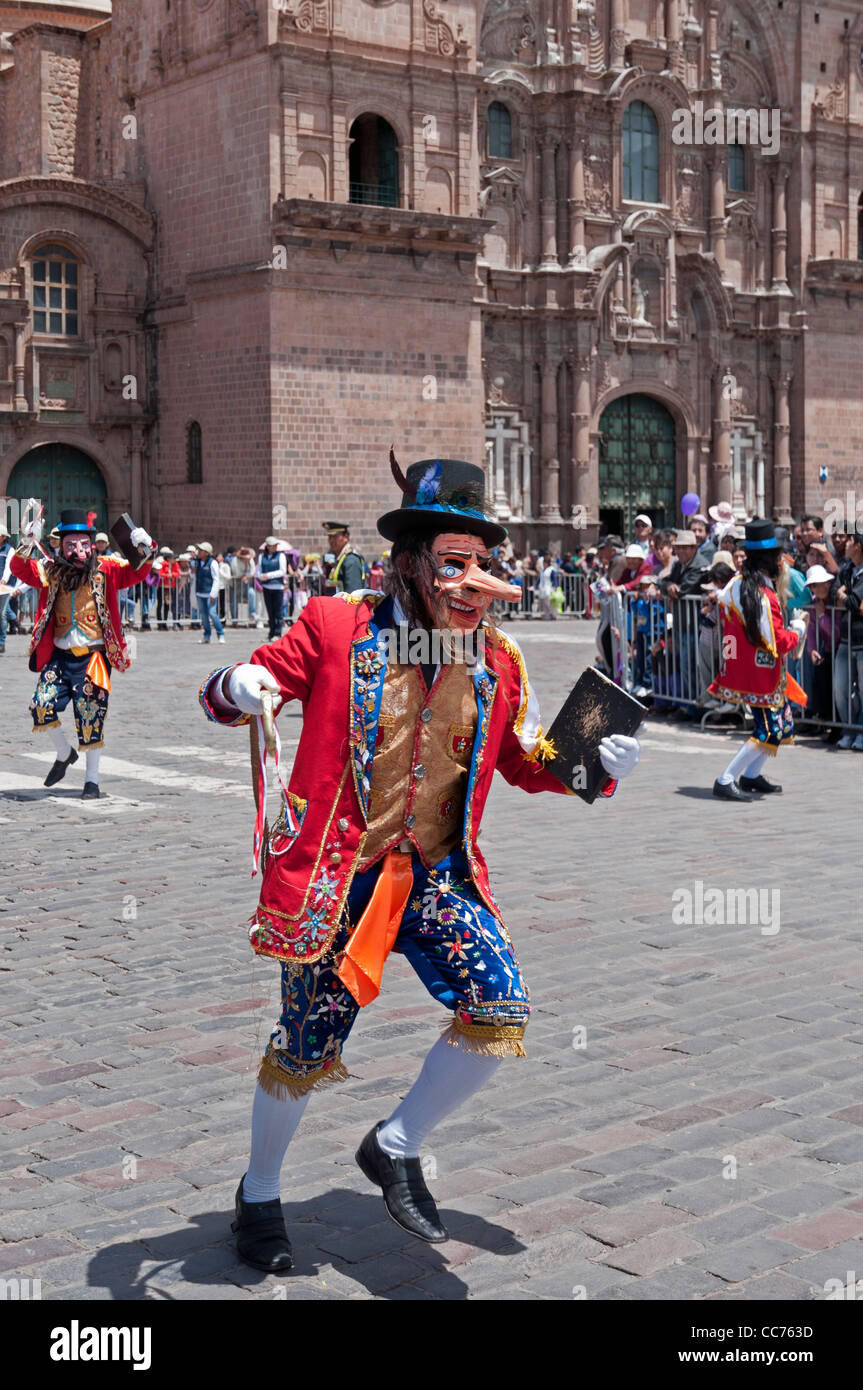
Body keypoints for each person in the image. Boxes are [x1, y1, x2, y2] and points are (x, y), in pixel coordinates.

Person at [197, 453, 643, 1272]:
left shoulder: (498, 659)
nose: (469, 581)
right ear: (408, 562)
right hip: (343, 880)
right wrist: (239, 682)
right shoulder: (336, 624)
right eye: (452, 562)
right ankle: (258, 1193)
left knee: (499, 1005)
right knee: (304, 1045)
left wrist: (592, 763)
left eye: (482, 563)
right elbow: (243, 690)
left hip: (436, 875)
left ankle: (394, 1144)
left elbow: (520, 759)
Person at [9, 508, 153, 798]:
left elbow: (137, 572)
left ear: (91, 544)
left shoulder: (108, 569)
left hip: (94, 657)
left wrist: (146, 547)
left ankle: (92, 781)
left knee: (90, 718)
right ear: (61, 546)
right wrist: (26, 541)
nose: (78, 550)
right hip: (60, 656)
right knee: (41, 706)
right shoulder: (51, 571)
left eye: (83, 544)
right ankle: (64, 754)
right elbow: (19, 569)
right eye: (71, 544)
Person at [708, 520, 808, 801]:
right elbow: (776, 640)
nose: (783, 562)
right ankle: (726, 778)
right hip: (759, 673)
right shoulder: (760, 593)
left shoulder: (741, 584)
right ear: (771, 560)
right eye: (779, 557)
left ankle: (750, 775)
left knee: (782, 724)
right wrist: (798, 629)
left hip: (751, 669)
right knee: (770, 729)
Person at [833, 526, 863, 749]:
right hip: (845, 638)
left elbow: (857, 606)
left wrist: (845, 595)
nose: (845, 544)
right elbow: (835, 593)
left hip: (861, 639)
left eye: (849, 540)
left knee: (862, 689)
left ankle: (861, 731)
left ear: (858, 545)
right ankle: (849, 728)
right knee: (841, 687)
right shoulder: (846, 570)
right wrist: (843, 595)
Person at [256, 537, 288, 641]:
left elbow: (282, 571)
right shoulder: (262, 556)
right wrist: (261, 576)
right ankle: (271, 632)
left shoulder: (281, 556)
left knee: (278, 611)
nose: (273, 547)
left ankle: (278, 633)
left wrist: (268, 575)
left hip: (278, 587)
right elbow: (259, 571)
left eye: (275, 545)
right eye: (271, 546)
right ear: (267, 546)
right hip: (267, 587)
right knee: (270, 611)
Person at [194, 541, 225, 645]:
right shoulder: (197, 562)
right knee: (204, 616)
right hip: (200, 592)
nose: (198, 552)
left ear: (207, 552)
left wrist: (213, 593)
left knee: (212, 613)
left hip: (209, 593)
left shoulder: (213, 563)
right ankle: (206, 636)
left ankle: (220, 634)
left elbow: (216, 579)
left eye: (201, 550)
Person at [322, 522, 364, 595]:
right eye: (329, 537)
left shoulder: (351, 560)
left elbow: (353, 595)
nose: (331, 540)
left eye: (335, 537)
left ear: (346, 537)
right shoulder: (339, 558)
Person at [155, 547, 181, 630]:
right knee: (160, 605)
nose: (174, 560)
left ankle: (165, 622)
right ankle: (160, 623)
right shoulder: (162, 564)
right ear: (168, 558)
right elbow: (159, 573)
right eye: (173, 558)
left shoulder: (175, 564)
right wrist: (167, 576)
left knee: (167, 605)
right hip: (162, 586)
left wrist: (172, 575)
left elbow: (177, 573)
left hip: (170, 587)